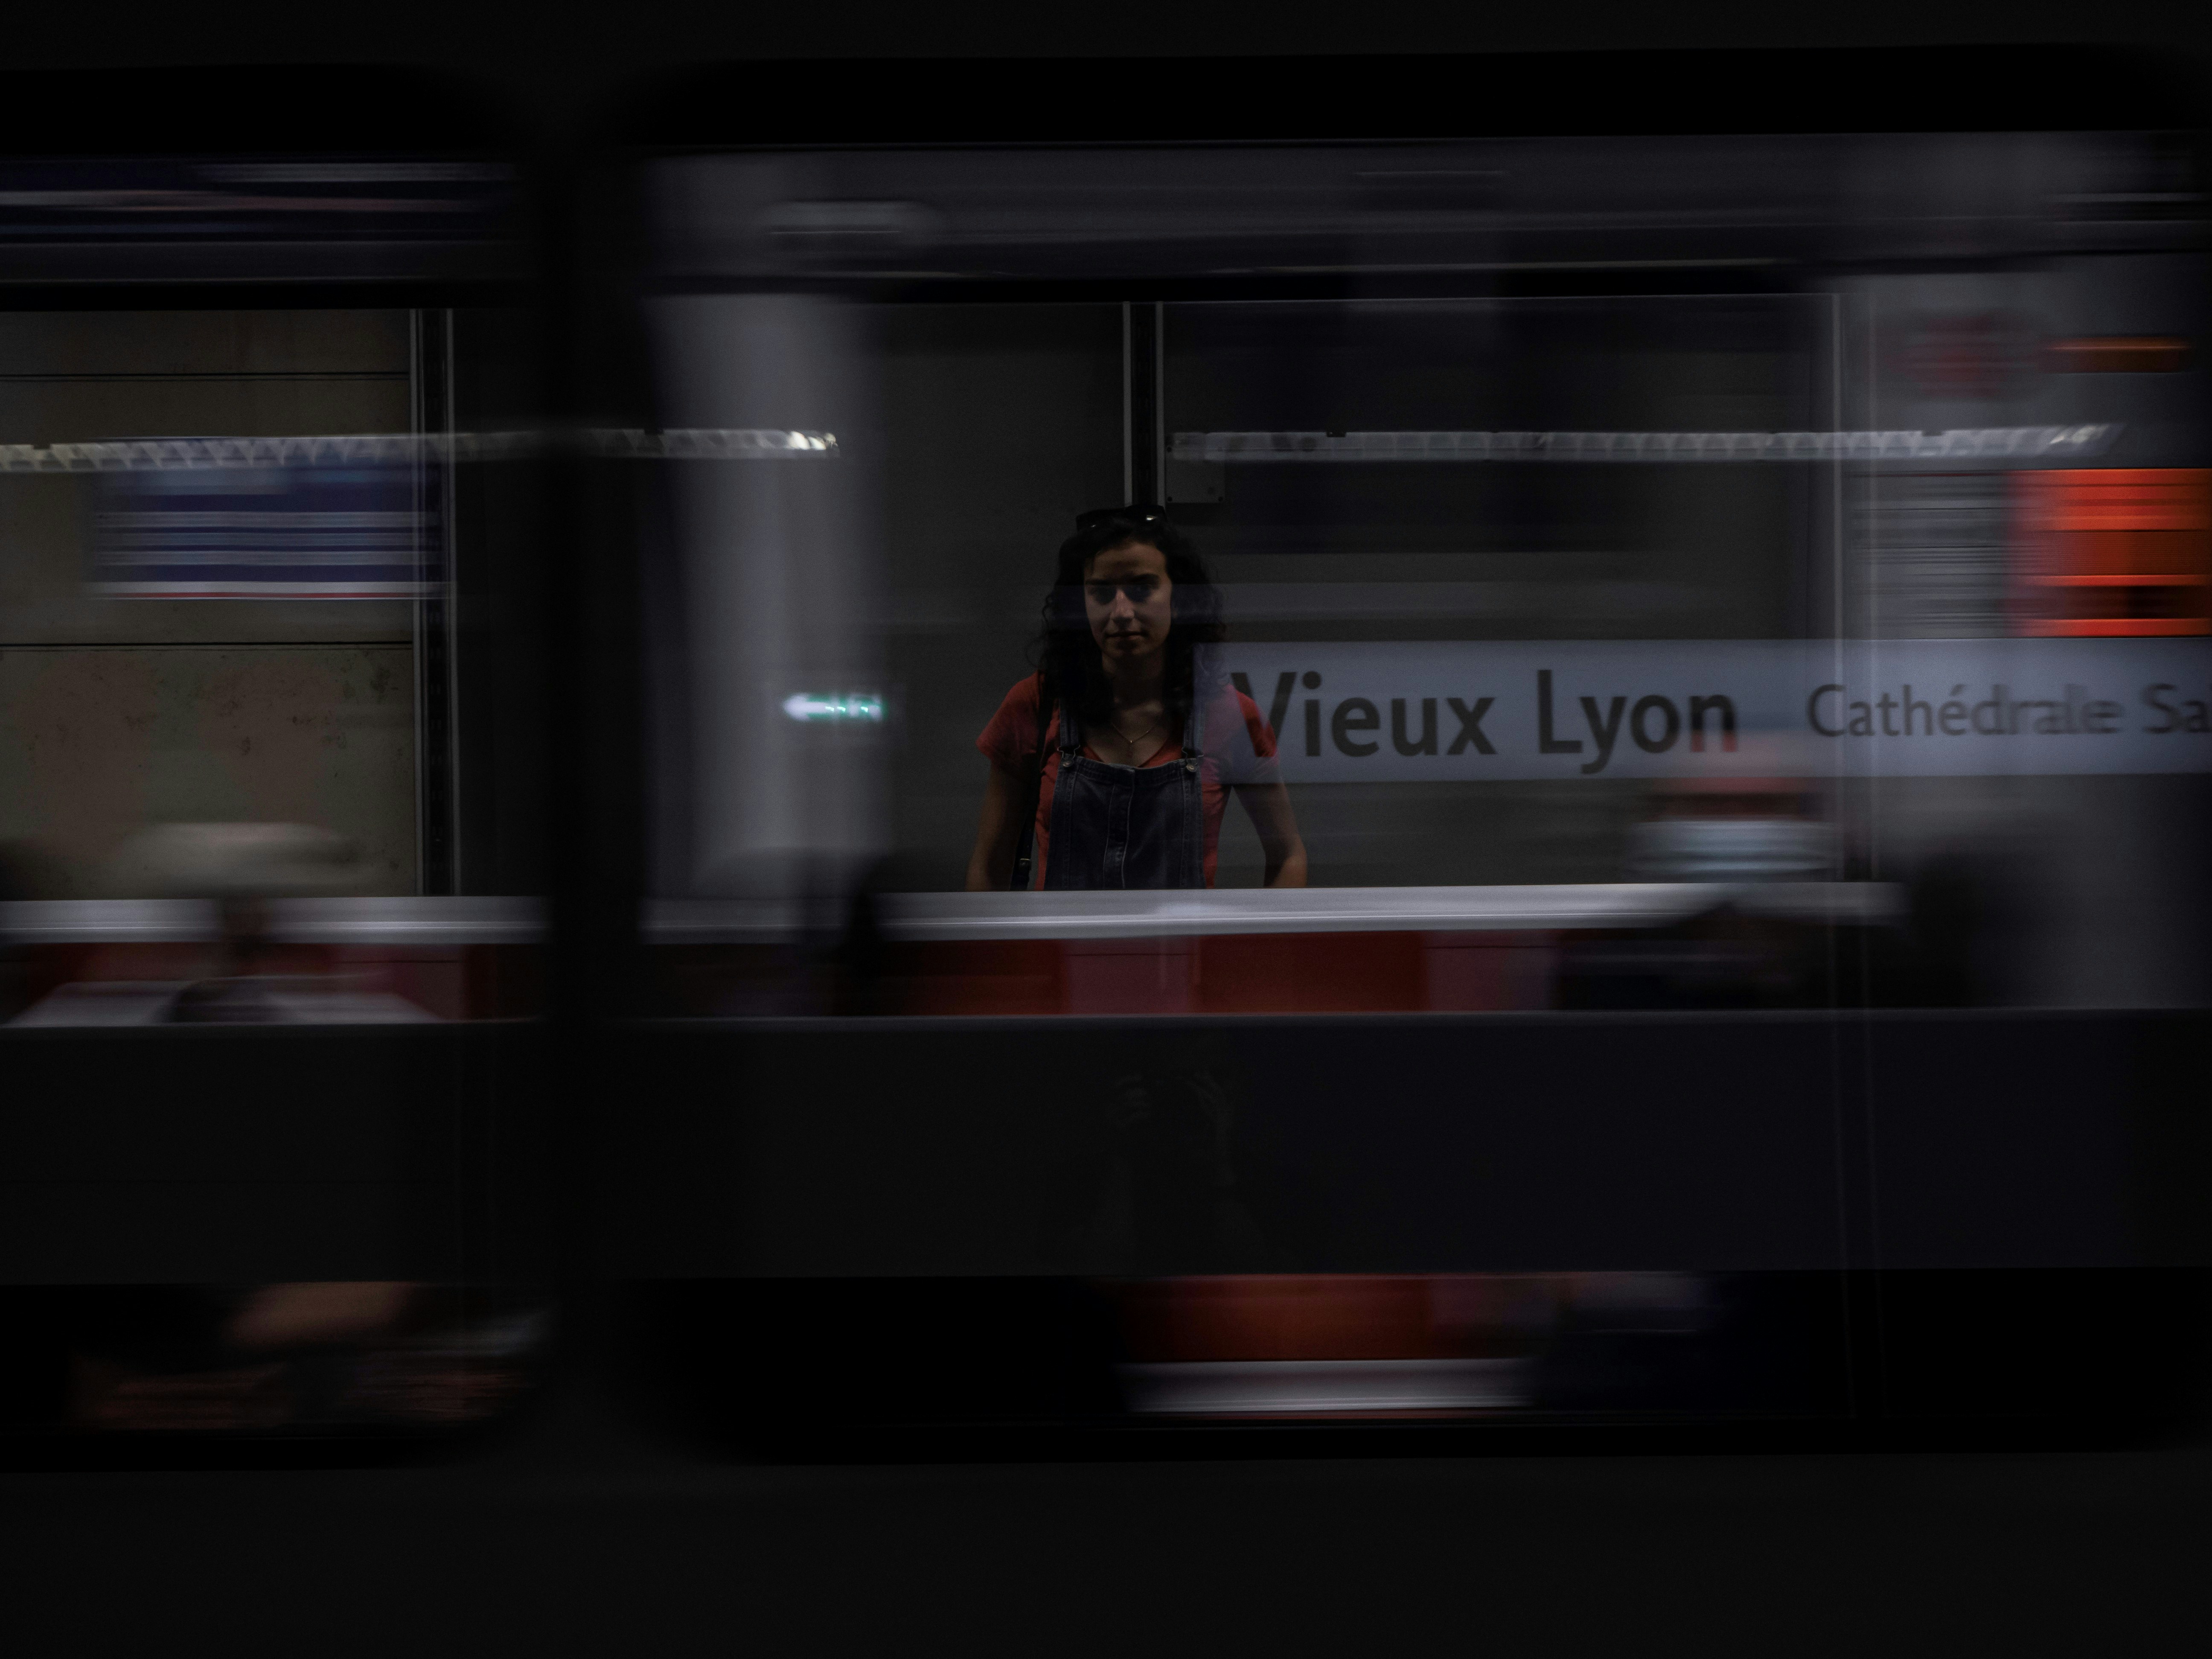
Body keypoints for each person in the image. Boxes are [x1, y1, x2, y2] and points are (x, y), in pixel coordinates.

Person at [967, 507, 1307, 891]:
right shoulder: (1037, 703)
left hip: (1183, 950)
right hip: (1061, 950)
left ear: (1178, 598)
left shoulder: (1227, 713)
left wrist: (1265, 949)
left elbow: (1288, 855)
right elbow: (990, 863)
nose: (1122, 611)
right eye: (1102, 592)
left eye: (1142, 589)